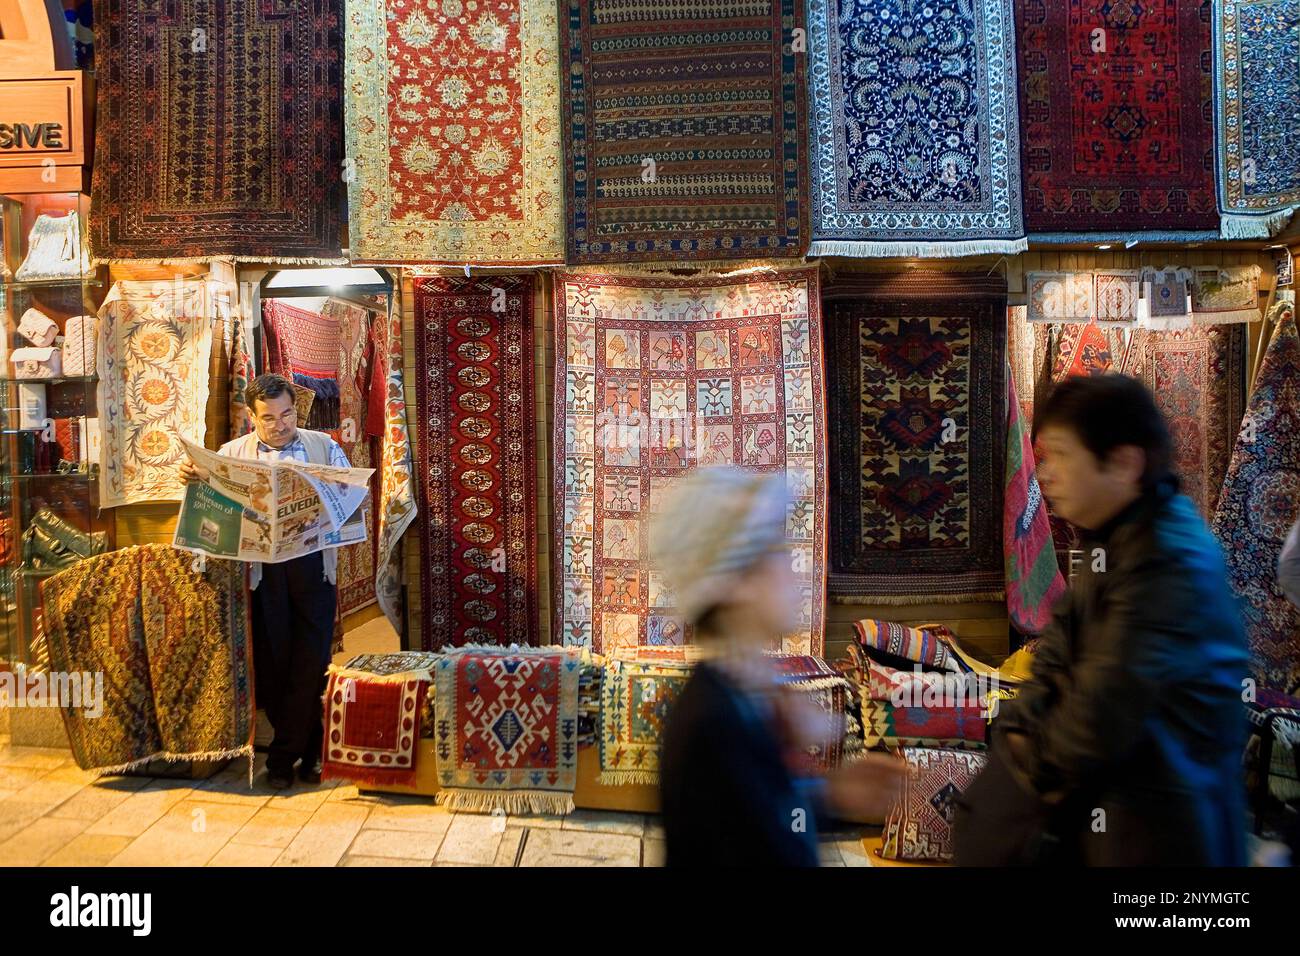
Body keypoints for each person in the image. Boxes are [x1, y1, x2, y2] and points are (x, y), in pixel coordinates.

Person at [954, 374, 1249, 866]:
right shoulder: (1114, 541)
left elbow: (1101, 714)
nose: (1046, 475)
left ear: (1124, 463)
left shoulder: (1168, 564)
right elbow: (1055, 658)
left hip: (1158, 840)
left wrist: (1029, 757)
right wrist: (1021, 733)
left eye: (1063, 456)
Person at [653, 467, 904, 866]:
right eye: (777, 551)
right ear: (736, 581)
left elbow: (772, 822)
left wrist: (829, 795)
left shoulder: (743, 698)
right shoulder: (711, 723)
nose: (793, 566)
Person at [180, 373, 352, 790]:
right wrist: (192, 475)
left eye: (287, 413)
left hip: (313, 567)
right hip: (263, 572)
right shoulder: (231, 453)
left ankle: (281, 759)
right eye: (269, 418)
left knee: (311, 659)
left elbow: (350, 491)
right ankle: (310, 748)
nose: (281, 424)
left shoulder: (323, 447)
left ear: (297, 409)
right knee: (273, 662)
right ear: (252, 417)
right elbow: (211, 502)